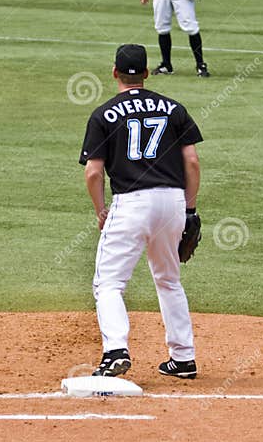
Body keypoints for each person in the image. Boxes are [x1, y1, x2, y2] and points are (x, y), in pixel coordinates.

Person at [79, 44, 202, 379]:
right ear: (147, 73)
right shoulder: (174, 109)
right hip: (172, 202)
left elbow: (93, 172)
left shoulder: (104, 114)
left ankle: (116, 349)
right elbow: (191, 161)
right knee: (169, 279)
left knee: (109, 283)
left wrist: (101, 209)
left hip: (132, 203)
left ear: (115, 73)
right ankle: (184, 358)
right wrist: (190, 211)